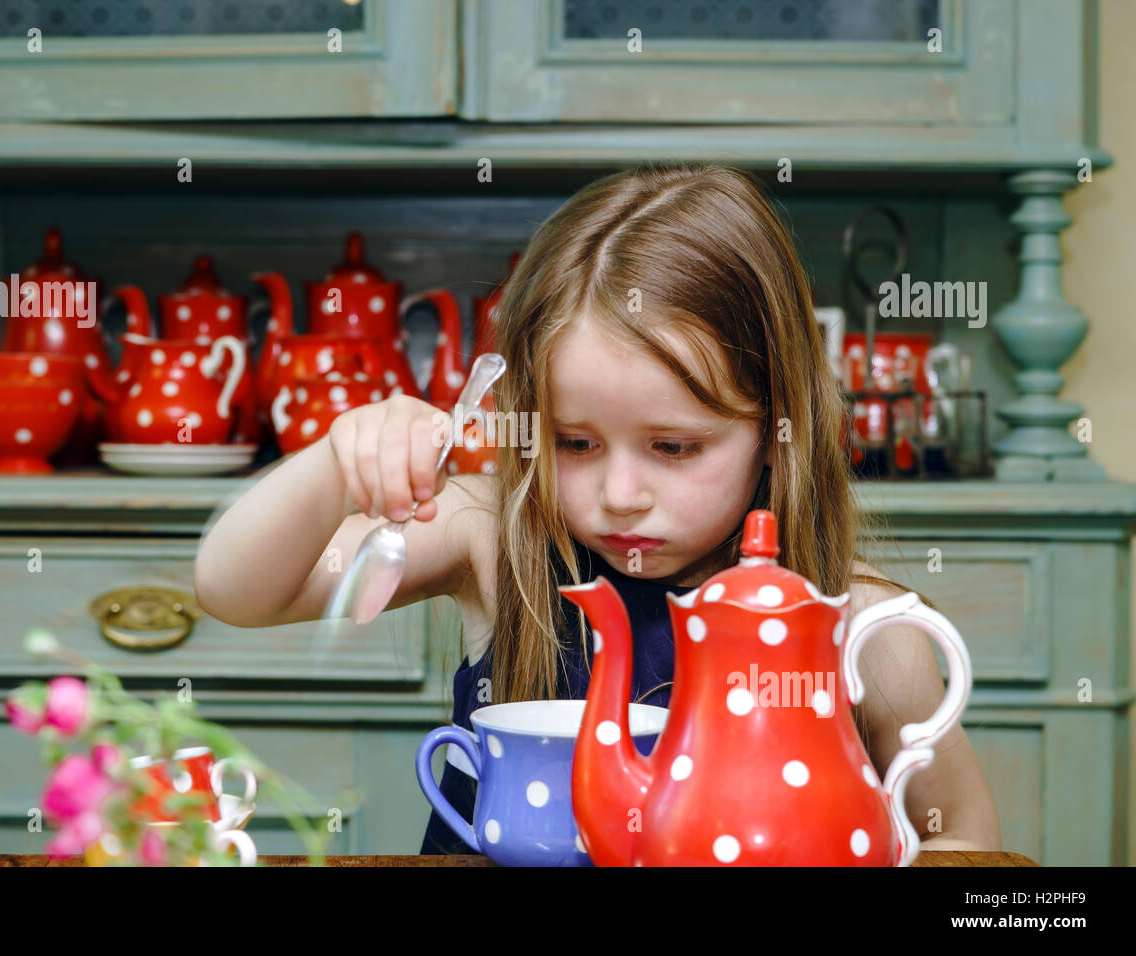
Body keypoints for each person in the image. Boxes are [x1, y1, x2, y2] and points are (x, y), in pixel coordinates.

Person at [195, 163, 1001, 858]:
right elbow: (235, 589)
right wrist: (337, 465)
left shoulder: (859, 624)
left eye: (675, 447)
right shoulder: (493, 539)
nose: (619, 494)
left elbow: (961, 834)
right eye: (576, 443)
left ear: (776, 429)